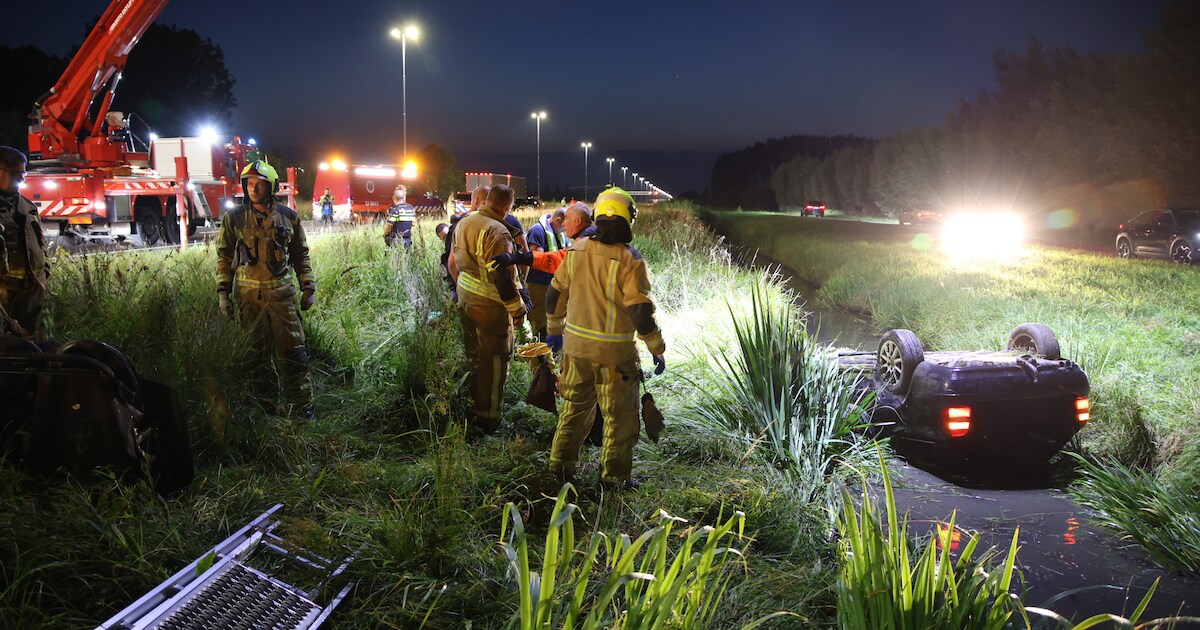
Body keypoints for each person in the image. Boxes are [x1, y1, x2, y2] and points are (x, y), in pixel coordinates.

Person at [545, 187, 665, 489]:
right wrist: (656, 346)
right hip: (615, 357)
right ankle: (614, 480)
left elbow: (555, 293)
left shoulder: (577, 250)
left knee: (573, 410)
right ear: (629, 219)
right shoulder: (630, 260)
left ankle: (559, 469)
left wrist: (554, 330)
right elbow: (639, 311)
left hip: (575, 350)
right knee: (620, 419)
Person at [215, 160, 318, 422]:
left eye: (259, 184)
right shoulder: (234, 218)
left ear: (270, 186)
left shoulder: (289, 217)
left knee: (294, 353)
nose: (253, 189)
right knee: (255, 356)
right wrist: (223, 295)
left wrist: (308, 287)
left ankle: (302, 407)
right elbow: (224, 257)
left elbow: (300, 255)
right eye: (249, 184)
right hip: (248, 301)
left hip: (282, 299)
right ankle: (267, 407)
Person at [451, 185, 527, 435]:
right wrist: (517, 310)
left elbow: (455, 262)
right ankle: (489, 420)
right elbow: (502, 277)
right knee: (494, 363)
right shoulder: (497, 231)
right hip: (490, 309)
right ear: (507, 207)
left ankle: (471, 407)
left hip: (466, 301)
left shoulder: (465, 221)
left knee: (474, 358)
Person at [0, 146, 50, 340]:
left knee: (37, 344)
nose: (22, 179)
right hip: (4, 296)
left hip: (32, 291)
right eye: (16, 174)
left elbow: (40, 244)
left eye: (24, 173)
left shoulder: (27, 207)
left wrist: (44, 273)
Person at [489, 202, 592, 281]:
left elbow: (557, 260)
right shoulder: (589, 241)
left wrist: (517, 257)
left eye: (567, 219)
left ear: (578, 221)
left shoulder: (584, 246)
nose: (564, 223)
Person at [444, 185, 490, 301]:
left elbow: (451, 263)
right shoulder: (498, 224)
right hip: (489, 297)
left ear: (475, 200)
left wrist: (461, 288)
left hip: (463, 289)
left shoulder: (459, 224)